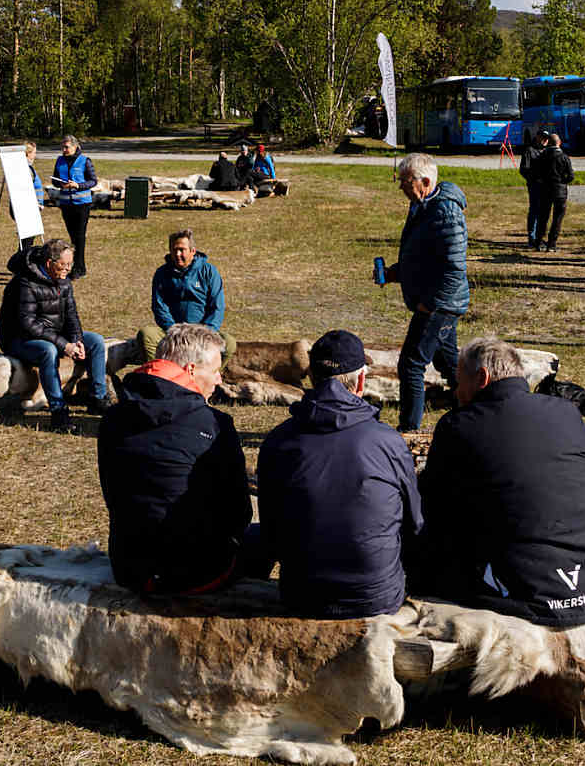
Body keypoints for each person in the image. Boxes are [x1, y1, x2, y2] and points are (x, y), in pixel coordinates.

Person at [414, 339, 585, 627]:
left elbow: (435, 507)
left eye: (459, 382)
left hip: (523, 591)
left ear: (482, 378)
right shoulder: (566, 411)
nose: (456, 391)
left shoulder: (458, 426)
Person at [257, 330, 422, 618]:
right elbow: (414, 523)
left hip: (302, 596)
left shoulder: (278, 441)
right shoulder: (388, 441)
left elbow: (271, 531)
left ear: (311, 379)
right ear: (361, 381)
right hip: (376, 597)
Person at [98, 322, 250, 593]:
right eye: (215, 371)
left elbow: (113, 493)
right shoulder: (214, 424)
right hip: (194, 573)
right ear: (191, 370)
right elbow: (238, 511)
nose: (219, 380)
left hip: (129, 568)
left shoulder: (113, 418)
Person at [386, 153, 467, 432]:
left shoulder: (445, 211)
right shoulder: (422, 203)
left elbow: (454, 267)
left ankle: (408, 432)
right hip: (437, 301)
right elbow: (424, 255)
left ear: (426, 181)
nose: (401, 188)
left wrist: (430, 306)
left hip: (439, 304)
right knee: (451, 366)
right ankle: (474, 416)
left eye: (405, 182)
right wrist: (395, 272)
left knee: (411, 364)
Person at [0, 237, 110, 430]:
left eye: (70, 264)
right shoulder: (25, 283)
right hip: (20, 339)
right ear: (50, 263)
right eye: (64, 265)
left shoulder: (63, 280)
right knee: (48, 351)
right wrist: (64, 345)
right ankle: (59, 412)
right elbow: (28, 324)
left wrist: (77, 340)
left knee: (96, 342)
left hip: (53, 334)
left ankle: (97, 399)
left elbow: (71, 315)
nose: (68, 269)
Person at [136, 229, 227, 363]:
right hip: (172, 332)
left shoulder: (209, 272)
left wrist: (205, 332)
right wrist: (173, 331)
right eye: (174, 250)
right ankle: (162, 376)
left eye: (182, 250)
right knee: (147, 335)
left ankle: (208, 378)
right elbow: (159, 306)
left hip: (202, 333)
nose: (178, 254)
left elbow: (217, 307)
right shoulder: (162, 273)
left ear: (193, 251)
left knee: (229, 344)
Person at [518, 128, 572, 251]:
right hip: (535, 185)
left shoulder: (547, 153)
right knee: (535, 211)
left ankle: (540, 239)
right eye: (542, 138)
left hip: (547, 188)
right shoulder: (530, 150)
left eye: (546, 139)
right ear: (537, 137)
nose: (544, 141)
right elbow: (524, 169)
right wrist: (535, 179)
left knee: (543, 214)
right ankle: (533, 238)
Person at [51, 136, 98, 276]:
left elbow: (93, 181)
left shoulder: (85, 161)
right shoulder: (59, 161)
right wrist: (60, 184)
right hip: (66, 204)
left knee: (80, 236)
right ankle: (73, 266)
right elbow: (54, 180)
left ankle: (79, 268)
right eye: (63, 147)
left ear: (75, 146)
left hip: (82, 204)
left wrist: (78, 185)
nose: (64, 150)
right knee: (72, 237)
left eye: (67, 147)